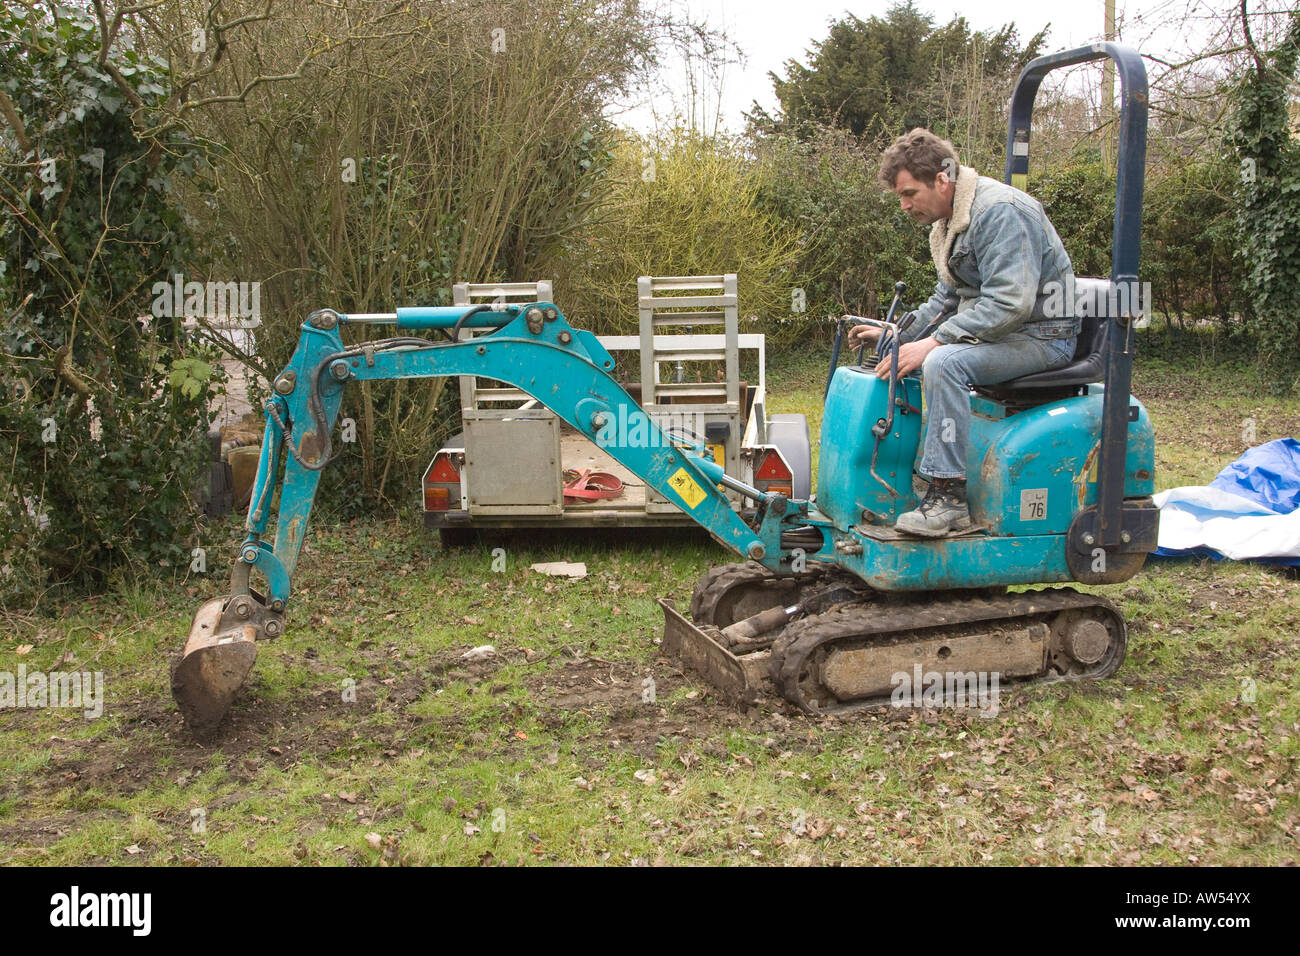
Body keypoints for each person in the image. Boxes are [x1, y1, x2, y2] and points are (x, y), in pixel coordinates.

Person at [848, 129, 1078, 537]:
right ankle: (919, 474)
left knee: (945, 363)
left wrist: (934, 343)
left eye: (909, 193)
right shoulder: (952, 222)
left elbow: (1011, 303)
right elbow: (946, 300)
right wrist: (896, 337)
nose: (903, 205)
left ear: (942, 179)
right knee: (917, 358)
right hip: (1006, 334)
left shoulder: (1000, 212)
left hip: (1043, 336)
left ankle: (947, 498)